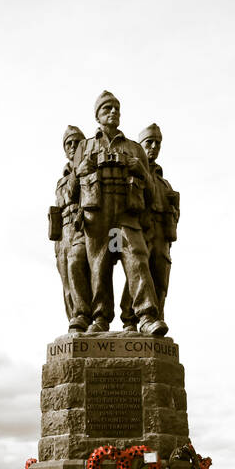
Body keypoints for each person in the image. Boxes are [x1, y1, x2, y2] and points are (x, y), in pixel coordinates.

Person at [72, 90, 166, 336]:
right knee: (99, 266)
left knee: (137, 259)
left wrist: (141, 172)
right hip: (98, 214)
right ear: (97, 116)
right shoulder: (85, 146)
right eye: (107, 108)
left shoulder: (135, 149)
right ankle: (100, 318)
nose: (113, 112)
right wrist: (80, 170)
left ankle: (145, 316)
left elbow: (151, 193)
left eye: (116, 108)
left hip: (126, 215)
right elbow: (71, 192)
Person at [120, 122, 179, 327]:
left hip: (162, 234)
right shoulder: (132, 171)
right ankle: (130, 320)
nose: (154, 147)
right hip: (140, 229)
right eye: (149, 142)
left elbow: (174, 212)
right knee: (137, 272)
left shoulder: (165, 183)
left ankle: (156, 320)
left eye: (157, 143)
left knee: (160, 281)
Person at [51, 124, 92, 332]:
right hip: (63, 233)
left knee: (78, 266)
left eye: (77, 143)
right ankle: (75, 321)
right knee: (67, 281)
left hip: (83, 226)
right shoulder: (62, 179)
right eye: (69, 143)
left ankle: (83, 314)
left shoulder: (88, 171)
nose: (73, 146)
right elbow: (64, 197)